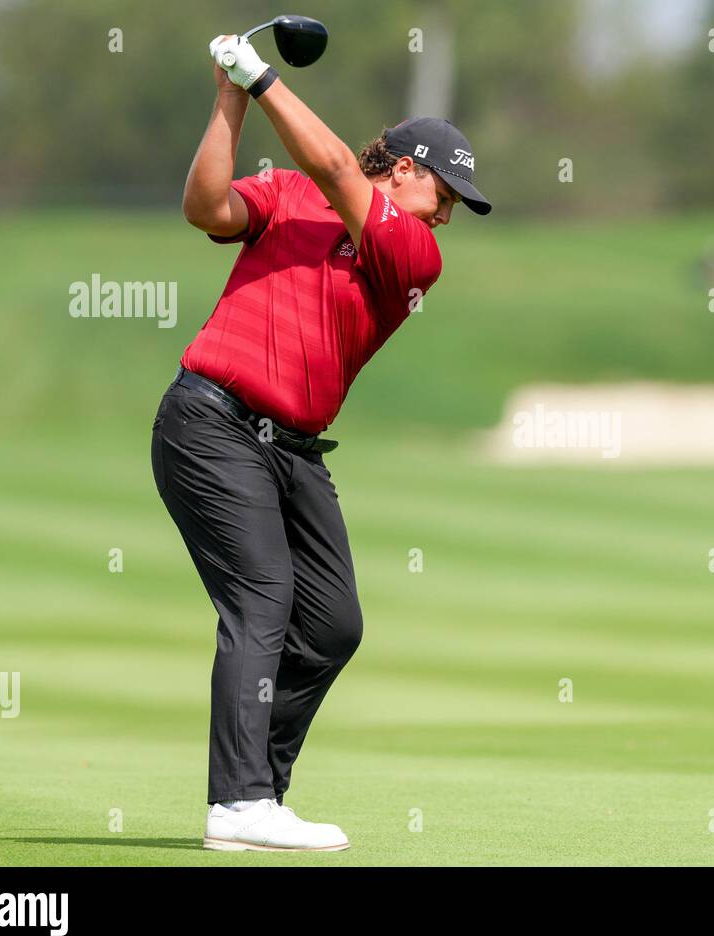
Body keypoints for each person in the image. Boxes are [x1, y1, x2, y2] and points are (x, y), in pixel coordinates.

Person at [150, 32, 491, 852]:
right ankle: (237, 805)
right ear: (403, 166)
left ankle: (256, 789)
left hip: (292, 448)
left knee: (333, 625)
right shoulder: (287, 194)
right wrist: (231, 97)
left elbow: (342, 170)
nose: (448, 213)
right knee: (262, 599)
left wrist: (258, 74)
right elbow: (206, 208)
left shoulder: (413, 253)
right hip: (209, 421)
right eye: (444, 191)